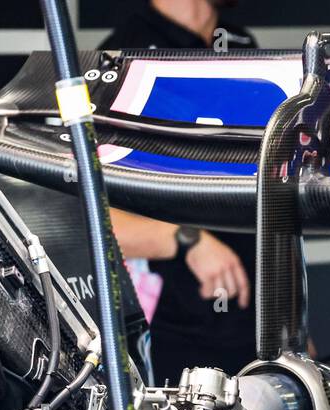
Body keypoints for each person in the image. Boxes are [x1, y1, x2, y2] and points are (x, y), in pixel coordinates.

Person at [101, 0, 256, 385]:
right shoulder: (121, 60)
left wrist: (295, 325)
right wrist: (187, 241)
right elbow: (77, 211)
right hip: (170, 345)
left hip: (258, 335)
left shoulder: (243, 45)